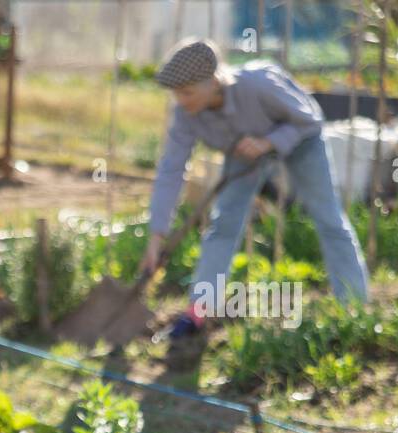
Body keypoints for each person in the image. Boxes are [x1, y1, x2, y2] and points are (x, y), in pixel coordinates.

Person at [141, 39, 369, 338]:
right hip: (243, 155)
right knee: (223, 226)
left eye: (187, 92)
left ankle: (354, 308)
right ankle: (198, 312)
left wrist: (268, 142)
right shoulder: (186, 114)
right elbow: (171, 169)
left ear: (213, 81)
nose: (181, 100)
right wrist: (157, 236)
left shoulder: (258, 83)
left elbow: (310, 119)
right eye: (176, 94)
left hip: (300, 141)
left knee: (328, 219)